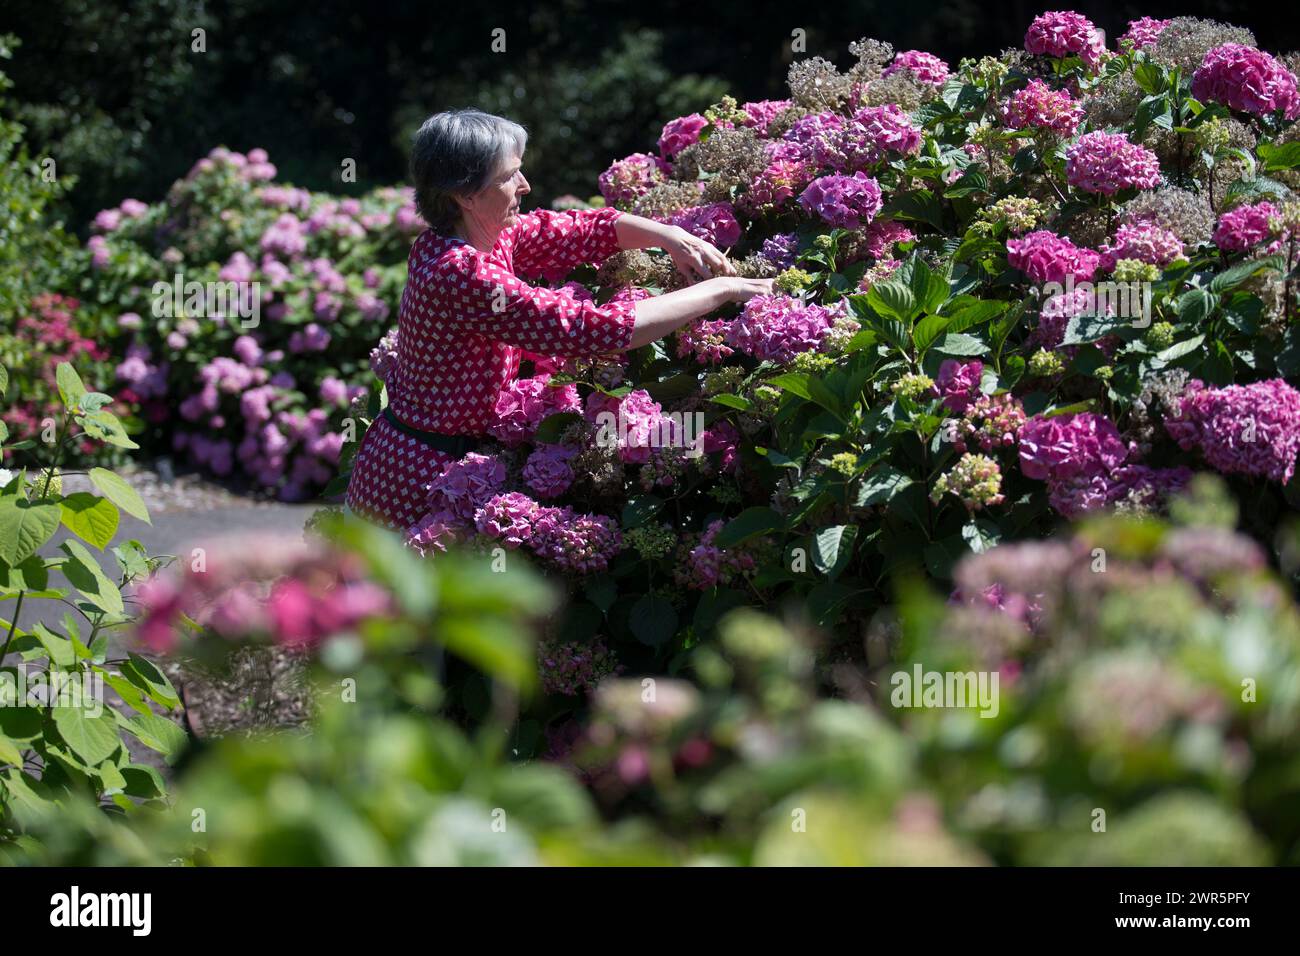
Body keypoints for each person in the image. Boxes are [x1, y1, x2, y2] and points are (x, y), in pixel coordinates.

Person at [346, 108, 772, 530]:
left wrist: (670, 236)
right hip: (414, 481)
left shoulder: (468, 237)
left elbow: (579, 230)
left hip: (434, 463)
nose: (525, 185)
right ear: (466, 194)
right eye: (509, 176)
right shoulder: (460, 274)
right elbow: (596, 330)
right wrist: (720, 291)